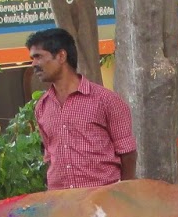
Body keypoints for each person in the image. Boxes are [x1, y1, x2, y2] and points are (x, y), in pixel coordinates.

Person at [27, 28, 137, 190]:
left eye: (38, 56)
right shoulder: (42, 107)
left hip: (102, 202)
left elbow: (128, 153)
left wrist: (124, 196)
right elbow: (50, 158)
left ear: (61, 56)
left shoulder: (106, 100)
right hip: (62, 204)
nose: (34, 64)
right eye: (32, 58)